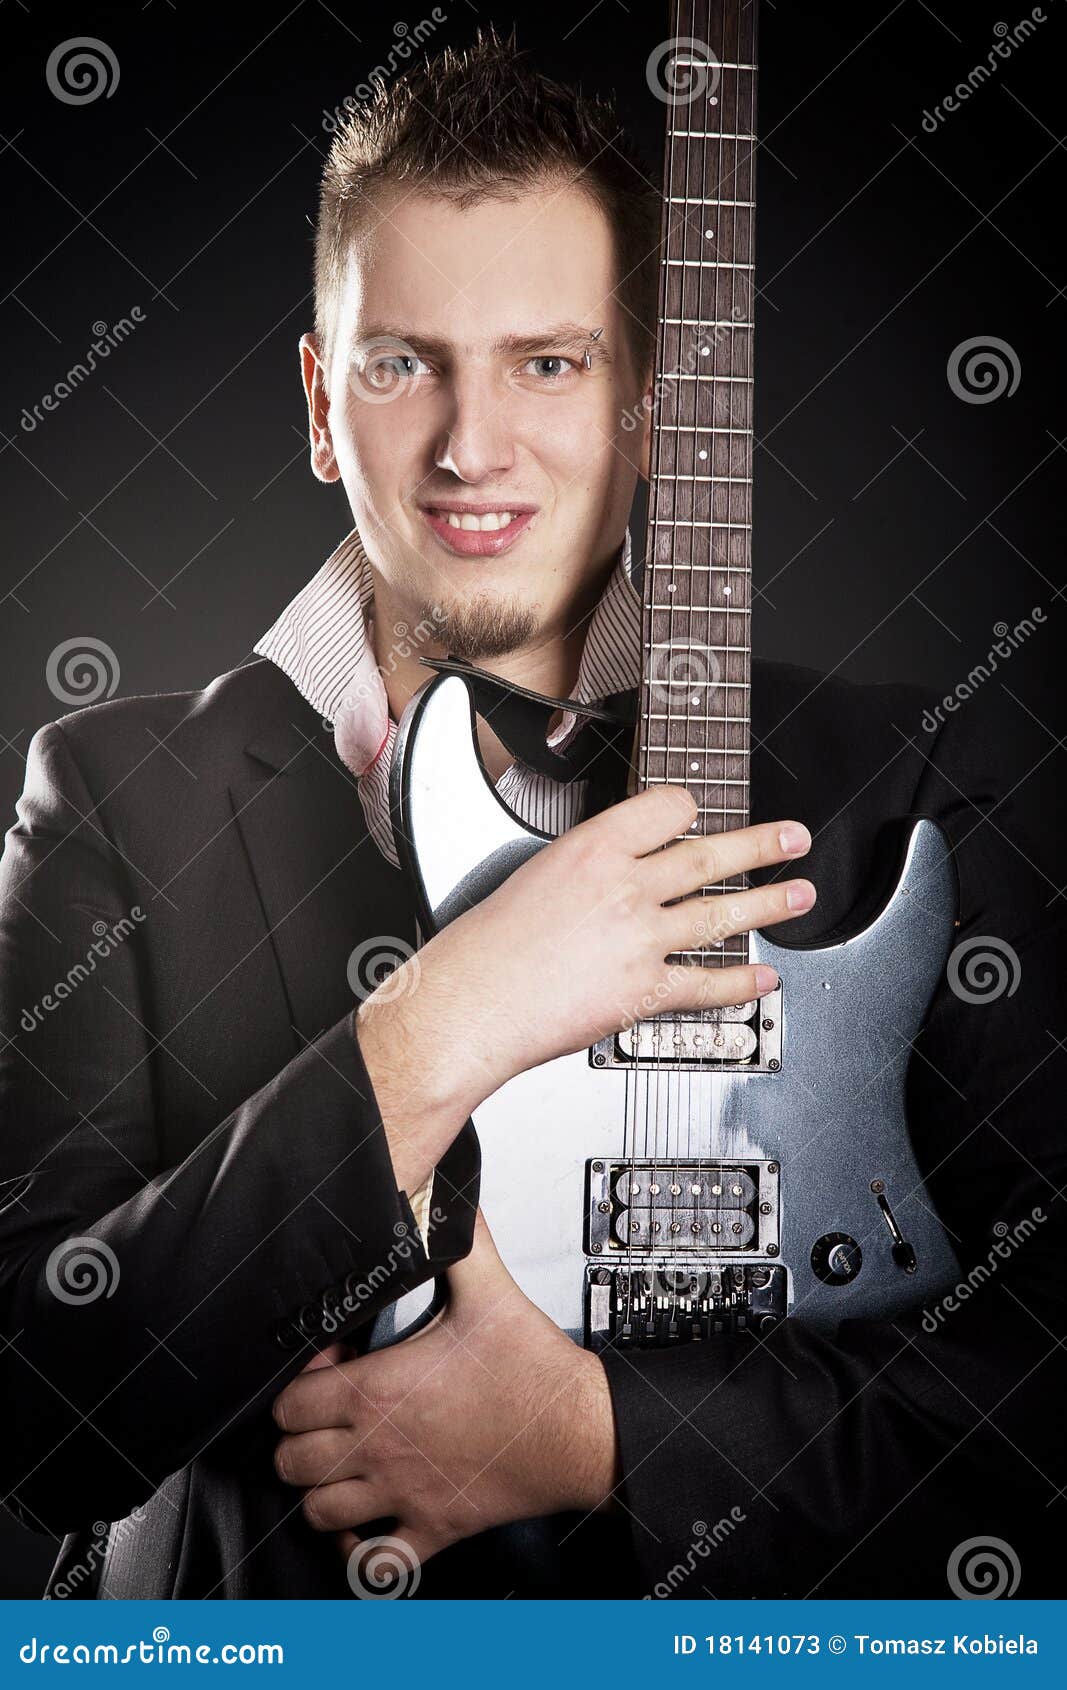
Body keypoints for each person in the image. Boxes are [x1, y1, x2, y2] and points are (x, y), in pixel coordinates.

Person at [0, 30, 1063, 1602]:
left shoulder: (898, 780)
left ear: (648, 400)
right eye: (400, 360)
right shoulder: (109, 794)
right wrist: (446, 1013)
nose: (471, 446)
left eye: (547, 362)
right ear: (317, 400)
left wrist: (597, 1434)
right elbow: (39, 1401)